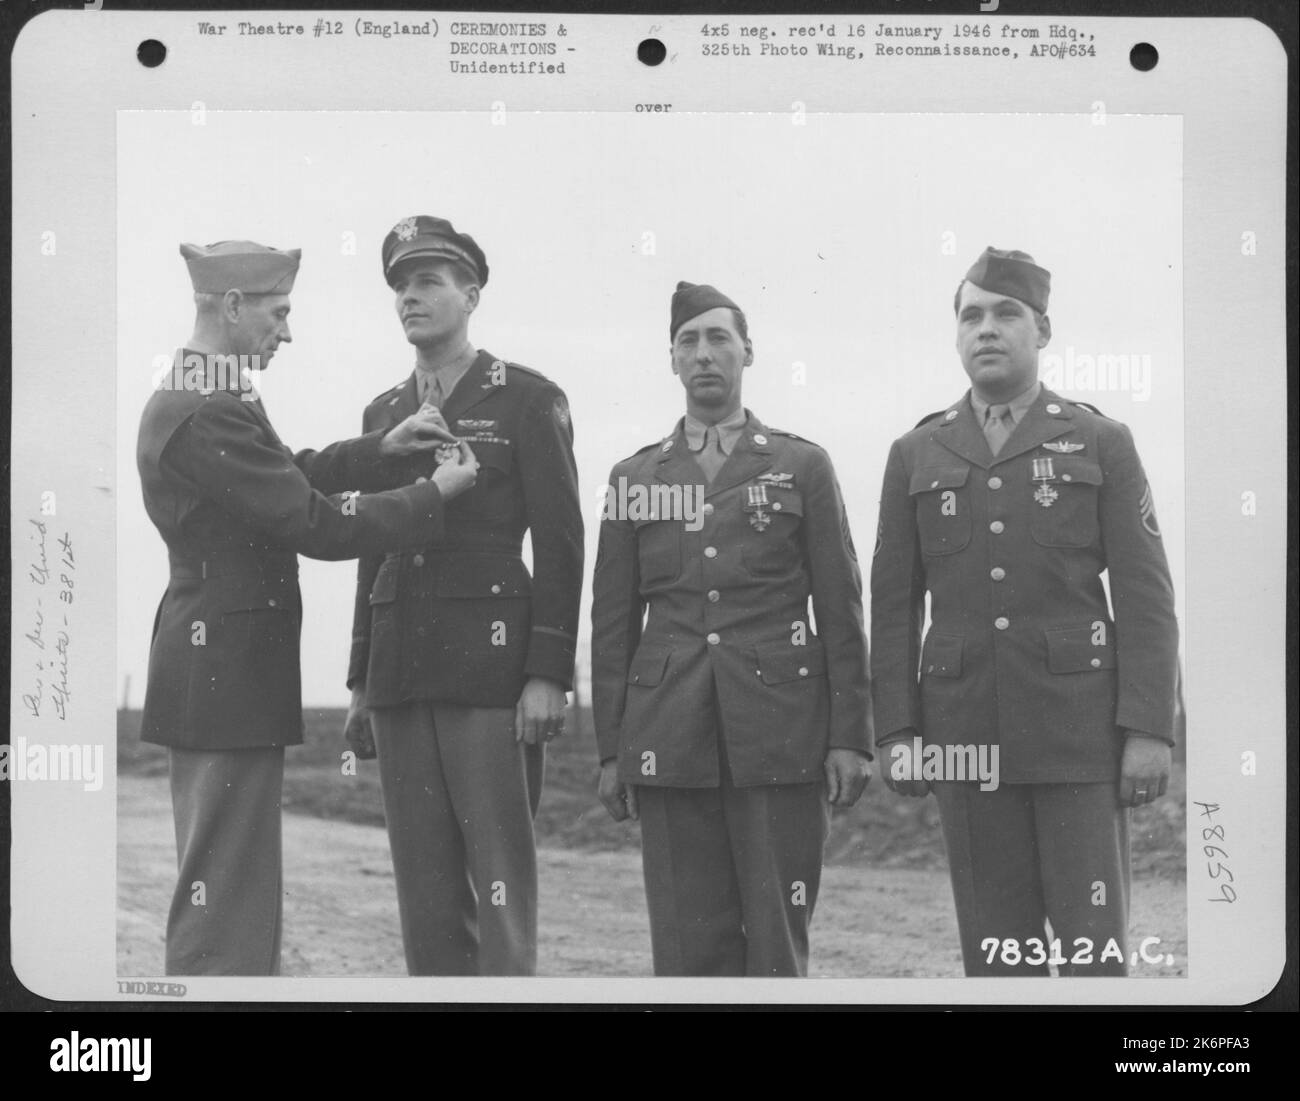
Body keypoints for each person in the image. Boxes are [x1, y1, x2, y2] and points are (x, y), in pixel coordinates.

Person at [138, 240, 478, 975]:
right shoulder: (207, 408)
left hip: (219, 668)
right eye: (278, 311)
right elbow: (315, 523)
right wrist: (432, 496)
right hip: (225, 671)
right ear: (232, 306)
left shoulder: (209, 392)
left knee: (232, 884)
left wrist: (382, 448)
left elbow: (288, 476)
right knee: (225, 895)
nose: (286, 332)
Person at [870, 247, 1180, 976]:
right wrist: (897, 729)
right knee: (995, 956)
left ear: (1042, 330)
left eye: (1006, 313)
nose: (987, 329)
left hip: (1078, 736)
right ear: (955, 336)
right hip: (964, 735)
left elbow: (1146, 597)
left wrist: (1149, 729)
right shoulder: (916, 451)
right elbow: (892, 607)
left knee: (1091, 953)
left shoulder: (1100, 440)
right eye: (970, 315)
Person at [590, 281, 871, 977]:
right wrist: (610, 750)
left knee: (778, 935)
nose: (704, 354)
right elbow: (613, 622)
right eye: (689, 341)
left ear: (749, 351)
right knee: (687, 945)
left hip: (779, 728)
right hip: (667, 730)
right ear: (672, 361)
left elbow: (841, 609)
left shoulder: (800, 465)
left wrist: (849, 737)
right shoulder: (635, 475)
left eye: (719, 338)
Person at [344, 215, 583, 976]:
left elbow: (562, 543)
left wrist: (548, 672)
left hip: (491, 672)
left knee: (500, 886)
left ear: (470, 293)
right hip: (399, 671)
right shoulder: (383, 415)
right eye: (399, 286)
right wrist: (358, 680)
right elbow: (369, 545)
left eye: (427, 281)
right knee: (424, 891)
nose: (409, 298)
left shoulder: (527, 398)